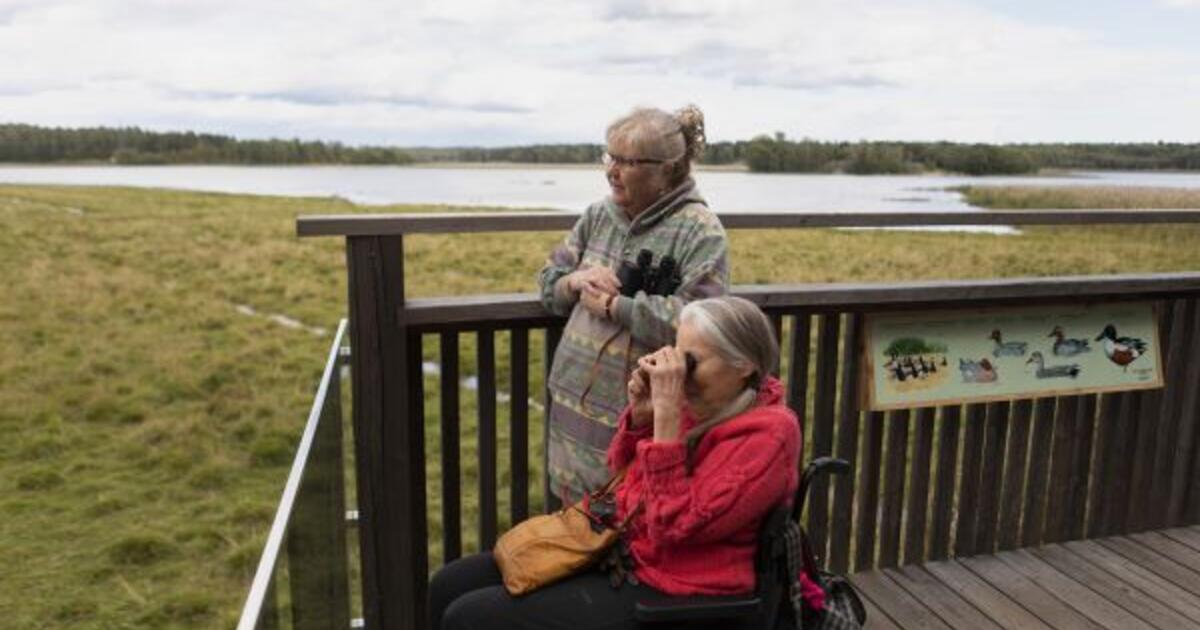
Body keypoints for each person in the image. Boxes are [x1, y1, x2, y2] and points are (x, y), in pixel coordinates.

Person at [430, 296, 813, 630]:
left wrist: (665, 418)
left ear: (743, 365)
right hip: (625, 551)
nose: (679, 372)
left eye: (690, 361)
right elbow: (620, 470)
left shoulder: (770, 436)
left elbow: (673, 526)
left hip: (681, 589)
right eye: (676, 354)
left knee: (468, 618)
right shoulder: (706, 402)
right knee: (449, 583)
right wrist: (644, 418)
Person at [537, 104, 729, 504]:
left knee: (627, 530)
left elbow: (701, 326)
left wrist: (615, 307)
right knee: (569, 532)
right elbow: (547, 284)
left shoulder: (700, 231)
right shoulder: (598, 215)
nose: (612, 170)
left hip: (637, 424)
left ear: (667, 170)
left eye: (628, 161)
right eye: (610, 157)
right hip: (570, 417)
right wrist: (574, 281)